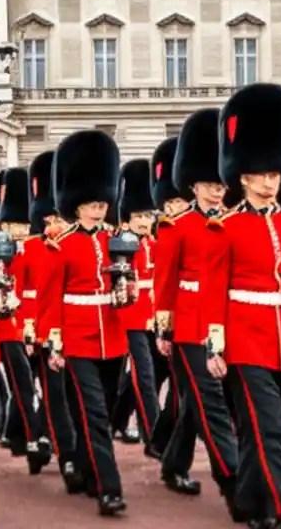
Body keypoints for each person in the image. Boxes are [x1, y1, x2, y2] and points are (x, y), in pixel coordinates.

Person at [206, 83, 281, 529]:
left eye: (276, 173)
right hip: (244, 336)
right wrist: (215, 344)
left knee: (268, 426)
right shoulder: (225, 228)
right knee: (267, 425)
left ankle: (251, 505)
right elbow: (214, 288)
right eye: (262, 173)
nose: (271, 180)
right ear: (244, 176)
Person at [153, 108, 240, 510]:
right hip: (188, 325)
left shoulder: (232, 221)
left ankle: (172, 463)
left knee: (193, 403)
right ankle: (233, 481)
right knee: (211, 403)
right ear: (194, 184)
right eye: (209, 184)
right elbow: (166, 280)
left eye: (220, 184)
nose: (216, 191)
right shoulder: (176, 225)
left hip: (222, 322)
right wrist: (164, 329)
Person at [47, 130, 129, 516]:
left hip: (112, 335)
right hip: (77, 336)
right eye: (91, 204)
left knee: (104, 408)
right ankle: (108, 487)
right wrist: (54, 340)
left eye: (102, 203)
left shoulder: (118, 240)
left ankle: (81, 465)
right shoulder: (62, 245)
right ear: (76, 206)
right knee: (94, 411)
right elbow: (51, 296)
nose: (98, 210)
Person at [22, 149, 81, 491]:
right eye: (50, 220)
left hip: (78, 330)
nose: (55, 225)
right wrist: (31, 329)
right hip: (45, 332)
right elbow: (30, 293)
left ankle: (39, 438)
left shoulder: (76, 244)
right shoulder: (32, 249)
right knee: (54, 396)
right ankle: (67, 456)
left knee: (65, 397)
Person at [0, 166, 52, 475]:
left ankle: (19, 434)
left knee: (24, 385)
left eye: (21, 223)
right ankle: (29, 435)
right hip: (3, 327)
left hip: (29, 325)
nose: (16, 229)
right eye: (11, 223)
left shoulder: (37, 247)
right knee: (22, 384)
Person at [139, 137, 188, 459]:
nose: (173, 207)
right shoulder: (169, 229)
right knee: (177, 384)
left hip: (198, 314)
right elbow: (164, 279)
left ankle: (161, 443)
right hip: (177, 317)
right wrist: (162, 324)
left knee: (180, 387)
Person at [110, 158, 162, 454]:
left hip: (150, 317)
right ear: (127, 217)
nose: (144, 221)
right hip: (127, 316)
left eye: (148, 215)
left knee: (139, 375)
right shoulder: (119, 244)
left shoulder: (154, 243)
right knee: (143, 374)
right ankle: (153, 435)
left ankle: (116, 422)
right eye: (139, 216)